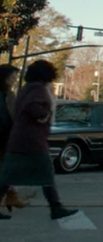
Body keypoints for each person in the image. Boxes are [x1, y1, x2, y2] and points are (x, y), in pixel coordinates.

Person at [0, 60, 77, 221]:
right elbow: (32, 107)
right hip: (32, 140)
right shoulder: (38, 89)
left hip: (20, 139)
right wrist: (44, 114)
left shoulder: (26, 88)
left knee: (8, 176)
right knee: (46, 173)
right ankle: (56, 207)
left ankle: (56, 207)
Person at [0, 65, 28, 214]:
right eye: (12, 78)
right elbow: (6, 117)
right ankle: (11, 196)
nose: (14, 81)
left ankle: (11, 196)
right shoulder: (5, 95)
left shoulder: (8, 94)